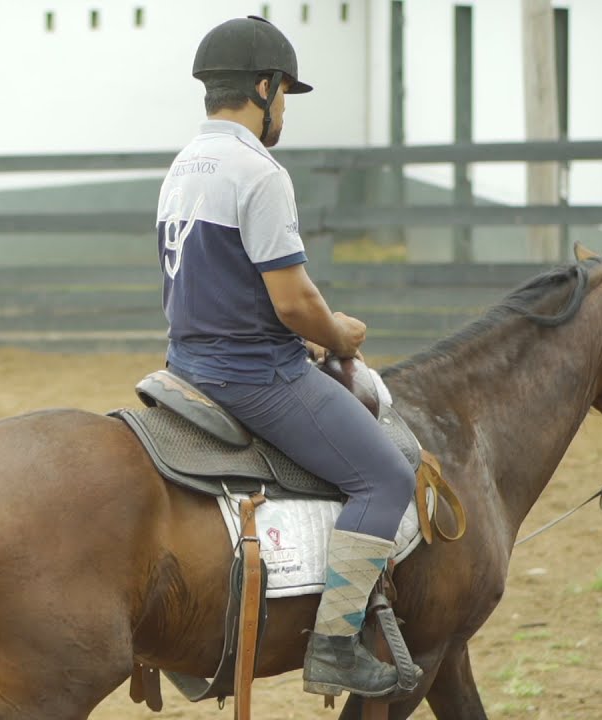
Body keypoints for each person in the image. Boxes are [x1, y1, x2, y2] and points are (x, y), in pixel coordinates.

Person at [157, 16, 416, 698]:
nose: (283, 113)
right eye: (284, 97)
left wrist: (298, 328)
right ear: (266, 88)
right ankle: (333, 646)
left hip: (186, 363)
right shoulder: (257, 169)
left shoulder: (184, 165)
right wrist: (336, 336)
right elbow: (294, 297)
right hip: (254, 375)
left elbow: (208, 282)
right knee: (386, 478)